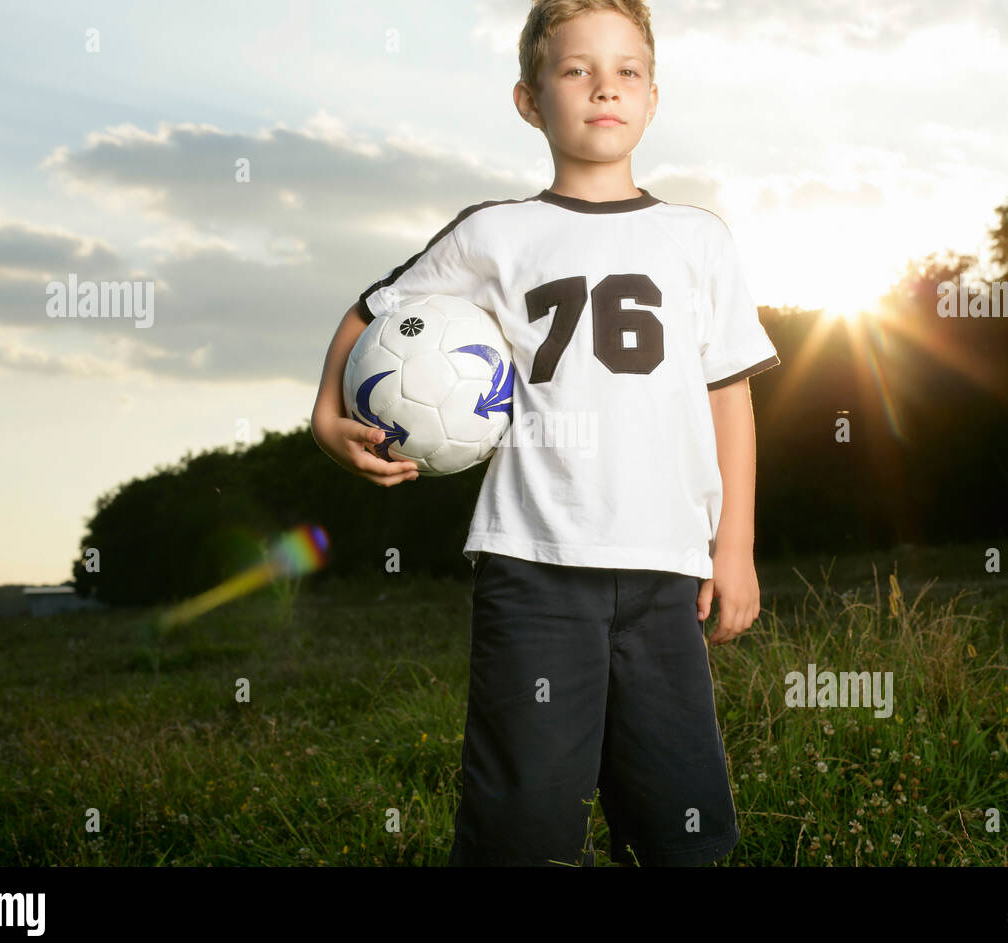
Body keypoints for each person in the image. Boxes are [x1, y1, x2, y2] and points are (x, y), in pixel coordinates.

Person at [310, 0, 780, 866]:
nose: (605, 86)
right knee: (520, 816)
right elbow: (373, 310)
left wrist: (736, 544)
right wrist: (324, 415)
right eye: (575, 70)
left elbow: (729, 397)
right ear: (529, 99)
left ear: (652, 96)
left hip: (664, 568)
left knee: (683, 813)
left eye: (627, 70)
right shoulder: (496, 234)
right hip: (532, 569)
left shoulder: (698, 239)